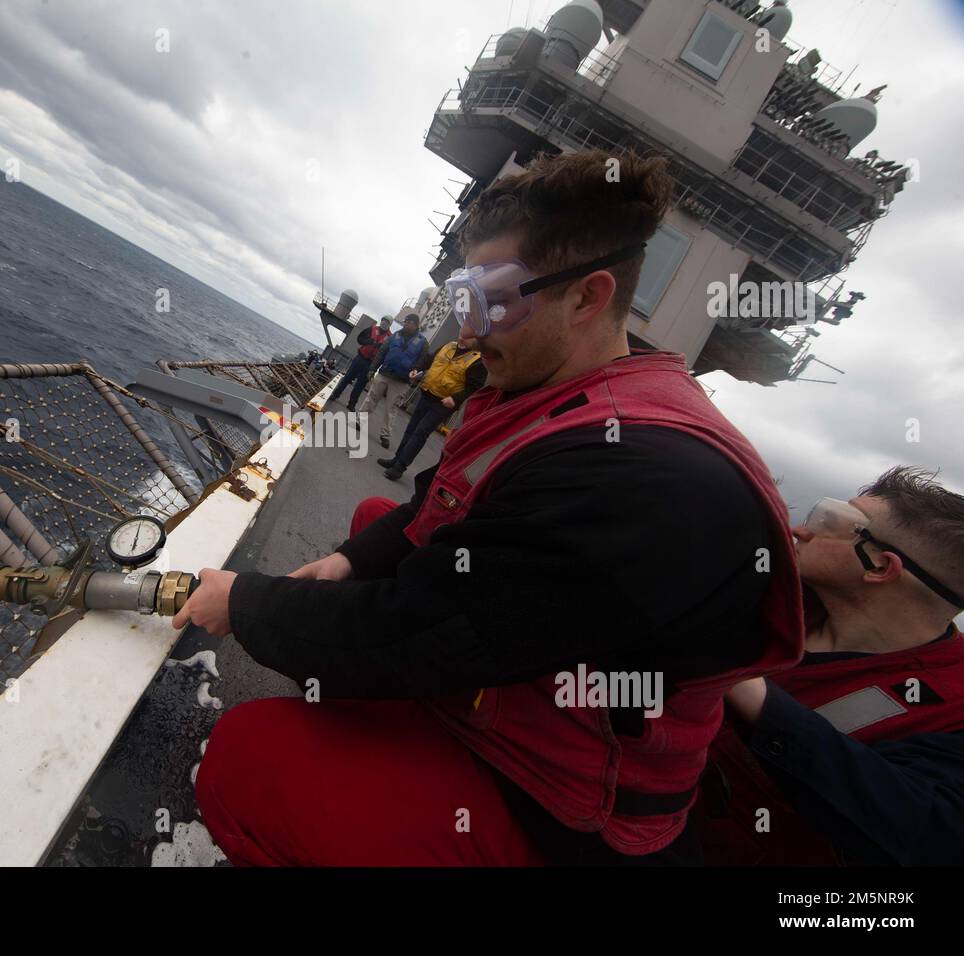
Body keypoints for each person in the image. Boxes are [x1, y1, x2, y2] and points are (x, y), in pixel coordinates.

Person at [175, 149, 803, 866]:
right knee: (373, 521)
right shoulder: (543, 396)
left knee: (248, 759)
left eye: (489, 302)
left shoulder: (643, 475)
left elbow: (419, 633)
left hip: (565, 810)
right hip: (520, 684)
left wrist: (246, 603)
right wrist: (350, 561)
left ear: (587, 296)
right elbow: (433, 501)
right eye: (461, 300)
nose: (467, 331)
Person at [701, 466, 964, 866]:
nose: (800, 530)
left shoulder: (954, 709)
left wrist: (753, 693)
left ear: (879, 567)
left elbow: (927, 833)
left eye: (830, 522)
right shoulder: (755, 596)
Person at [377, 332, 485, 480]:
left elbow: (474, 387)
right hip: (427, 392)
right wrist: (416, 368)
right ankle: (396, 459)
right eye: (461, 334)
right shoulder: (448, 346)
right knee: (411, 429)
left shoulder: (477, 360)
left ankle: (400, 467)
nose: (461, 338)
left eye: (467, 337)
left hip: (444, 402)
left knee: (421, 432)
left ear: (476, 340)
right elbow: (428, 359)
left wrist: (455, 399)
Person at [359, 313, 426, 449]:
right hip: (384, 373)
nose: (405, 324)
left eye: (408, 322)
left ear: (415, 325)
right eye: (405, 321)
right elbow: (382, 352)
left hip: (402, 381)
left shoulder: (423, 342)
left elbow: (423, 360)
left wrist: (416, 370)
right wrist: (373, 369)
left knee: (391, 409)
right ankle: (359, 421)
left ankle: (385, 435)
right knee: (371, 398)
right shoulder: (395, 336)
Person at [328, 316, 390, 411]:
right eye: (383, 321)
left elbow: (386, 354)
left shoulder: (390, 337)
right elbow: (360, 339)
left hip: (371, 364)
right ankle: (335, 395)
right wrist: (369, 341)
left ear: (390, 324)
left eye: (387, 322)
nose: (384, 323)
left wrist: (376, 367)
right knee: (347, 377)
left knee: (360, 385)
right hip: (360, 358)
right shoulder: (371, 329)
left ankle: (351, 404)